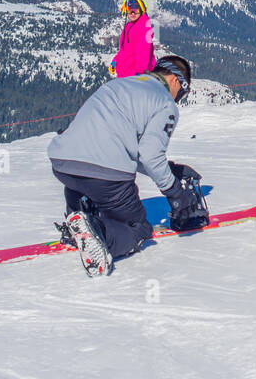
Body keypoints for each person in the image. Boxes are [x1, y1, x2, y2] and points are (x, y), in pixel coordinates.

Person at [48, 55, 205, 276]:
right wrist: (176, 194)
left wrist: (171, 170)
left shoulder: (118, 84)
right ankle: (96, 232)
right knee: (139, 229)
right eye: (182, 93)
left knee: (85, 179)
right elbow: (150, 155)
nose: (178, 99)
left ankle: (77, 218)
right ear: (176, 81)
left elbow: (129, 149)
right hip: (103, 174)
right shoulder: (165, 102)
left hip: (64, 163)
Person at [110, 0, 157, 78]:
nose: (132, 13)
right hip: (125, 73)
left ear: (141, 10)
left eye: (136, 10)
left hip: (134, 75)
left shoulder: (143, 28)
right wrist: (115, 61)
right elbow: (124, 50)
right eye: (130, 10)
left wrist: (140, 72)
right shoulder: (128, 26)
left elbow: (144, 52)